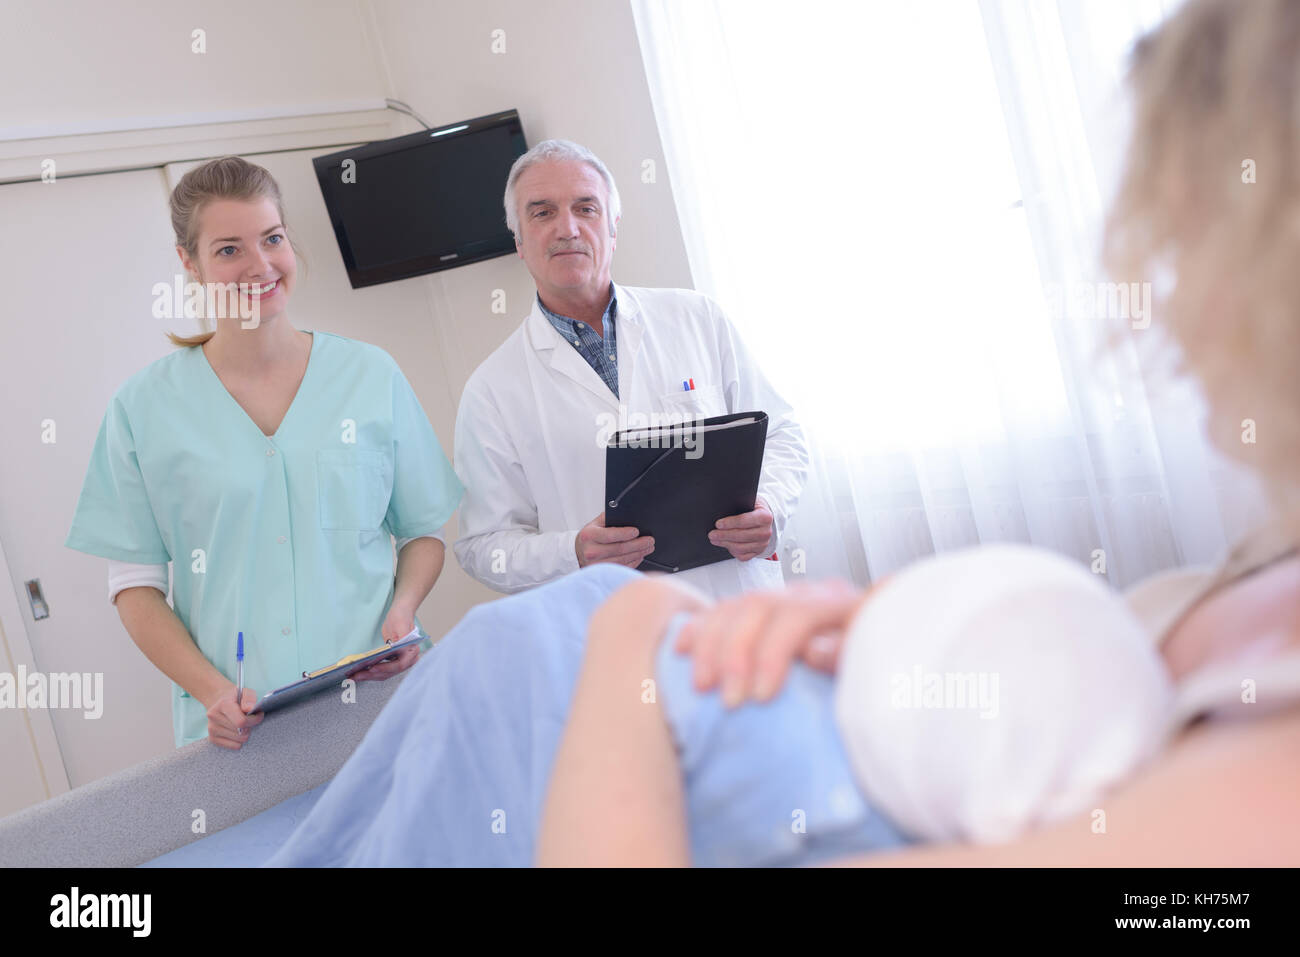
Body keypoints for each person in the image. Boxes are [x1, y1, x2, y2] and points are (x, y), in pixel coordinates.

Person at [535, 0, 1300, 865]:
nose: (1159, 306)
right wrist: (907, 639)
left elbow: (782, 434)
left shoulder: (1272, 783)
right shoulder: (1264, 571)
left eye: (1184, 248)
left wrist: (623, 641)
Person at [65, 156, 463, 750]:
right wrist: (210, 692)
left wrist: (402, 619)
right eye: (229, 249)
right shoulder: (143, 407)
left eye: (272, 239)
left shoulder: (369, 375)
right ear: (189, 263)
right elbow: (134, 585)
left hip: (386, 697)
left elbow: (422, 533)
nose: (260, 265)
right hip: (246, 725)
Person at [452, 139, 808, 600]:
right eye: (542, 213)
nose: (568, 228)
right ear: (518, 241)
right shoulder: (492, 389)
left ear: (613, 228)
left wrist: (771, 509)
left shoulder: (696, 318)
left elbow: (782, 433)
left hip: (736, 612)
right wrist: (572, 552)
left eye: (586, 208)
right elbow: (484, 547)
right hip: (610, 633)